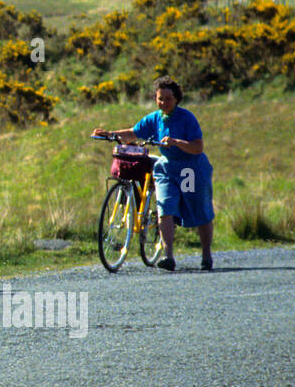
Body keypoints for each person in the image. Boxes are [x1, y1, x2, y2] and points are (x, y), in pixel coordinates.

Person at [91, 75, 214, 271]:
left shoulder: (187, 118)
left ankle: (206, 255)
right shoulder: (154, 118)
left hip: (189, 168)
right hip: (166, 168)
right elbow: (133, 133)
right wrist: (109, 134)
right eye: (160, 98)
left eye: (168, 99)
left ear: (176, 99)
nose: (163, 103)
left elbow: (198, 147)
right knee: (165, 209)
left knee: (199, 210)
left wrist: (176, 142)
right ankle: (168, 256)